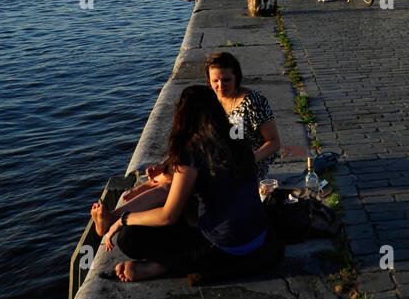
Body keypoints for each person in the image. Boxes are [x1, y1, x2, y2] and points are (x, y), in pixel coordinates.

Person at [99, 86, 283, 283]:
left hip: (224, 248)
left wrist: (123, 219)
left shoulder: (193, 149)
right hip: (257, 235)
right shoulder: (237, 139)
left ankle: (160, 266)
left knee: (129, 237)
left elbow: (167, 217)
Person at [204, 51, 280, 180]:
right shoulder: (210, 101)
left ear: (237, 77)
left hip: (249, 163)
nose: (221, 86)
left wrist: (249, 160)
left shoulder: (252, 101)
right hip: (218, 160)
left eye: (226, 80)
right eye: (215, 81)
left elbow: (274, 142)